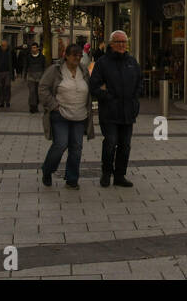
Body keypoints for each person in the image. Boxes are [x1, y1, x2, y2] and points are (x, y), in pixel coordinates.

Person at [88, 30, 142, 188]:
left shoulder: (132, 62)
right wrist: (108, 96)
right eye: (118, 42)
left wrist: (135, 99)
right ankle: (106, 173)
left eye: (124, 42)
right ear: (111, 44)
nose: (122, 45)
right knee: (111, 142)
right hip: (110, 112)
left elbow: (139, 83)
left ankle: (120, 175)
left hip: (128, 111)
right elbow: (94, 86)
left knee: (125, 145)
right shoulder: (103, 63)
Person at [39, 44, 94, 189]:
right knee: (60, 144)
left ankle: (72, 179)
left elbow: (90, 88)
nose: (77, 58)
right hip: (60, 114)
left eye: (79, 55)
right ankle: (47, 170)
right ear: (66, 56)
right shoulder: (55, 70)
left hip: (80, 115)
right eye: (74, 55)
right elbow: (43, 88)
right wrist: (53, 106)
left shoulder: (84, 71)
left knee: (76, 148)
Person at [0, 38, 16, 108]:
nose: (3, 47)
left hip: (8, 72)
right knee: (0, 87)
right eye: (2, 45)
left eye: (4, 45)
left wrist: (15, 72)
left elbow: (14, 62)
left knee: (7, 86)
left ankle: (7, 101)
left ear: (7, 45)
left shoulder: (11, 51)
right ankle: (1, 102)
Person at [23, 42, 48, 114]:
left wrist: (44, 76)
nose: (33, 49)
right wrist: (24, 75)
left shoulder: (42, 57)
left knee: (37, 93)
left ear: (37, 48)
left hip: (40, 76)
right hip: (31, 76)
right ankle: (32, 107)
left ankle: (36, 105)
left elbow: (44, 67)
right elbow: (26, 66)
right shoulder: (28, 57)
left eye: (34, 48)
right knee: (32, 92)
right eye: (32, 48)